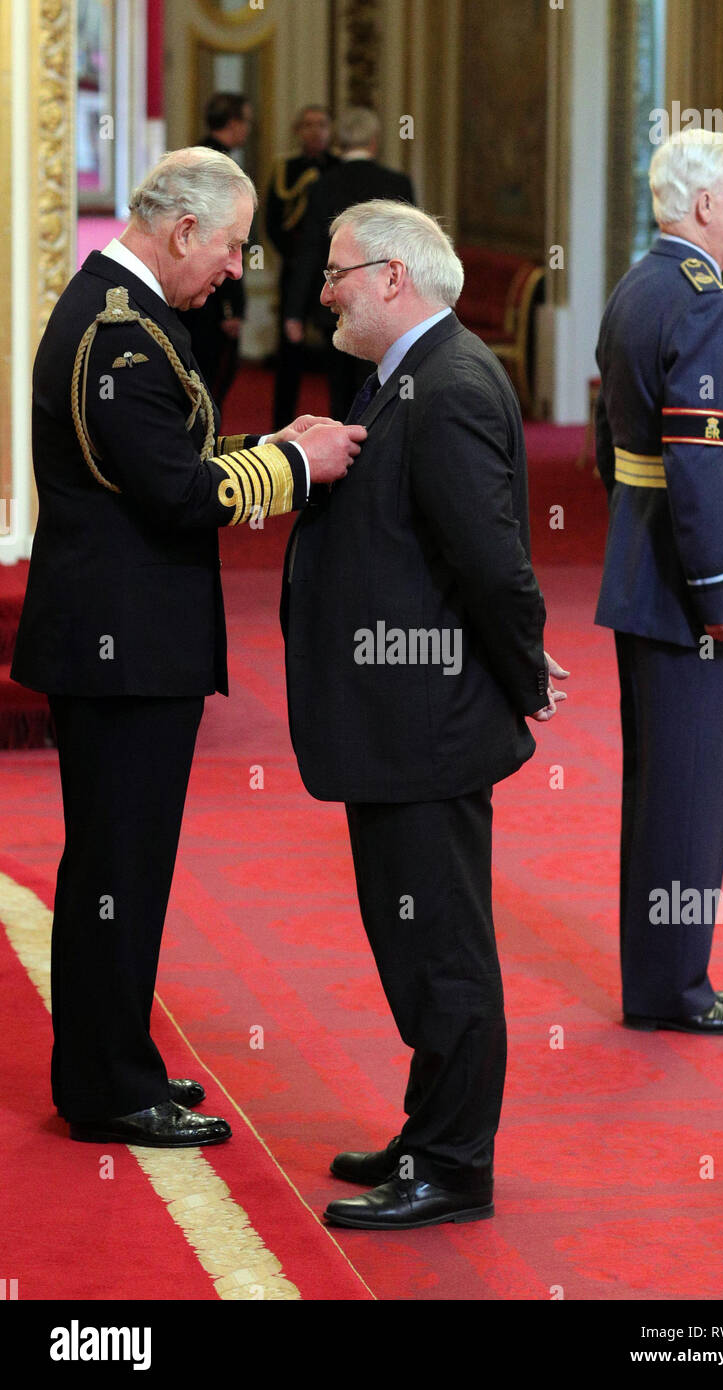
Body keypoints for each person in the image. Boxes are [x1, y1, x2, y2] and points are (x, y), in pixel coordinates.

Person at [11, 146, 365, 1147]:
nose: (236, 267)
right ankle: (107, 1085)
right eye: (232, 246)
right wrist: (295, 462)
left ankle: (117, 1059)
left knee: (124, 864)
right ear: (180, 232)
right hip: (117, 650)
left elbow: (169, 458)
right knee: (118, 868)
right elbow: (178, 492)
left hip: (124, 641)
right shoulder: (119, 332)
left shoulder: (129, 314)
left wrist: (265, 448)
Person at [282, 200, 568, 1229]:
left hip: (426, 723)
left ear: (392, 276)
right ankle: (430, 1127)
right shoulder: (412, 369)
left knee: (441, 950)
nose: (323, 292)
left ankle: (454, 1164)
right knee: (415, 944)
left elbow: (490, 561)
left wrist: (524, 668)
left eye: (336, 273)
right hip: (396, 716)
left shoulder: (443, 383)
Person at [594, 128, 723, 1034]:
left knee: (660, 789)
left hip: (644, 573)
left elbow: (610, 441)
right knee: (690, 794)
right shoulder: (698, 302)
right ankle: (674, 990)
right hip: (690, 589)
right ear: (703, 203)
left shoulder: (639, 285)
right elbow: (701, 467)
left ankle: (662, 977)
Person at [283, 108, 415, 418]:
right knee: (385, 388)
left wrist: (293, 312)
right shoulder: (398, 184)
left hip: (337, 305)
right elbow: (410, 251)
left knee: (341, 392)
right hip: (388, 303)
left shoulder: (322, 185)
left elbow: (310, 252)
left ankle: (346, 451)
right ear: (374, 141)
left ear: (340, 142)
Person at [265, 105, 340, 429]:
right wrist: (294, 256)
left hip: (336, 272)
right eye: (308, 124)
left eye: (321, 124)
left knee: (339, 350)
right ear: (298, 130)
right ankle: (281, 424)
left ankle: (342, 421)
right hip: (296, 271)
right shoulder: (286, 169)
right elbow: (271, 221)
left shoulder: (340, 169)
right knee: (289, 353)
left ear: (331, 129)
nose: (315, 131)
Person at [177, 93, 254, 406]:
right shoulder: (223, 167)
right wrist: (232, 307)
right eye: (247, 121)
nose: (248, 129)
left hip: (189, 284)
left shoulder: (191, 157)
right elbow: (225, 241)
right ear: (234, 123)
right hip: (213, 293)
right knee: (211, 381)